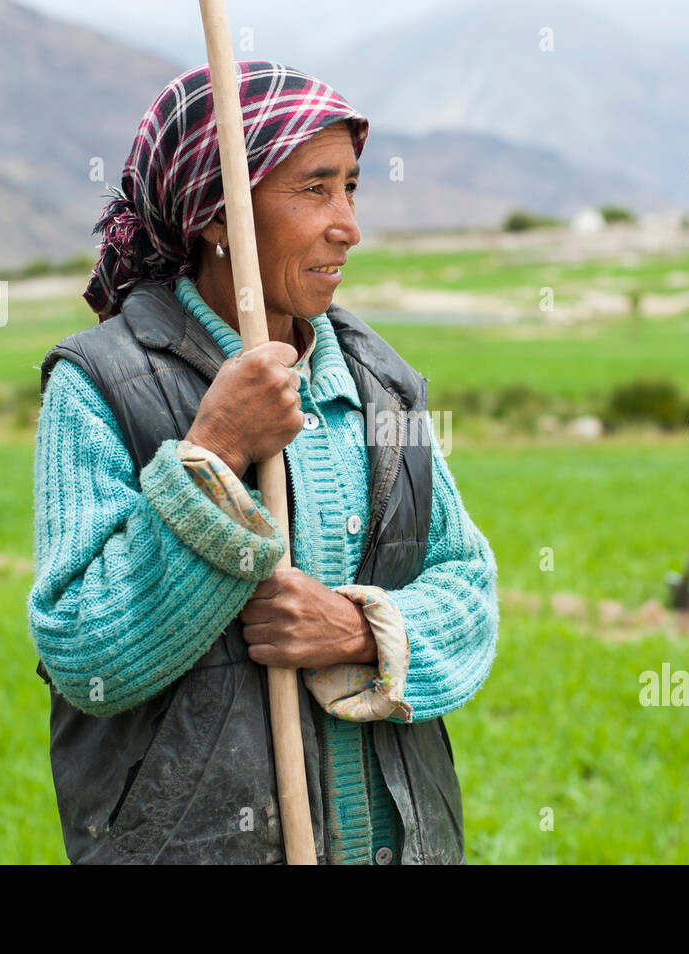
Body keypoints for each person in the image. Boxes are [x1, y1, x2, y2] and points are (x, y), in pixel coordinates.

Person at [26, 61, 499, 865]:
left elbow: (469, 593)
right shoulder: (101, 385)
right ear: (219, 216)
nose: (348, 224)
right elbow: (82, 649)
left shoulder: (381, 386)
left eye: (352, 187)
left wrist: (356, 630)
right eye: (315, 189)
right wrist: (215, 452)